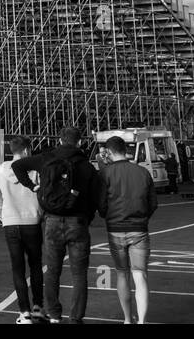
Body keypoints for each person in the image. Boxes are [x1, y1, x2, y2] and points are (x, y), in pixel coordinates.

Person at [12, 126, 100, 324]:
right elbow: (95, 197)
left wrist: (33, 186)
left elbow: (17, 166)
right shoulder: (86, 166)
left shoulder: (47, 158)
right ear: (79, 143)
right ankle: (76, 318)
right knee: (79, 274)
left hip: (51, 220)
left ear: (60, 140)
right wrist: (87, 217)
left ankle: (53, 315)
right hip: (77, 221)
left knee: (52, 271)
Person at [96, 135, 158, 323]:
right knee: (140, 275)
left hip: (115, 229)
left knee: (122, 273)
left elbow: (101, 204)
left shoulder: (105, 174)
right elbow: (153, 203)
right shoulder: (142, 172)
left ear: (109, 151)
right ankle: (142, 320)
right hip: (139, 229)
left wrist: (108, 215)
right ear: (126, 150)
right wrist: (142, 217)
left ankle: (127, 318)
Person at [0, 135, 44, 322]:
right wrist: (39, 214)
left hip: (11, 222)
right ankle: (38, 306)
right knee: (36, 265)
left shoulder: (0, 169)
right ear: (26, 150)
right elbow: (42, 196)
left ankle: (24, 312)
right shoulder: (35, 169)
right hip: (32, 221)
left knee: (18, 268)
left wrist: (4, 216)